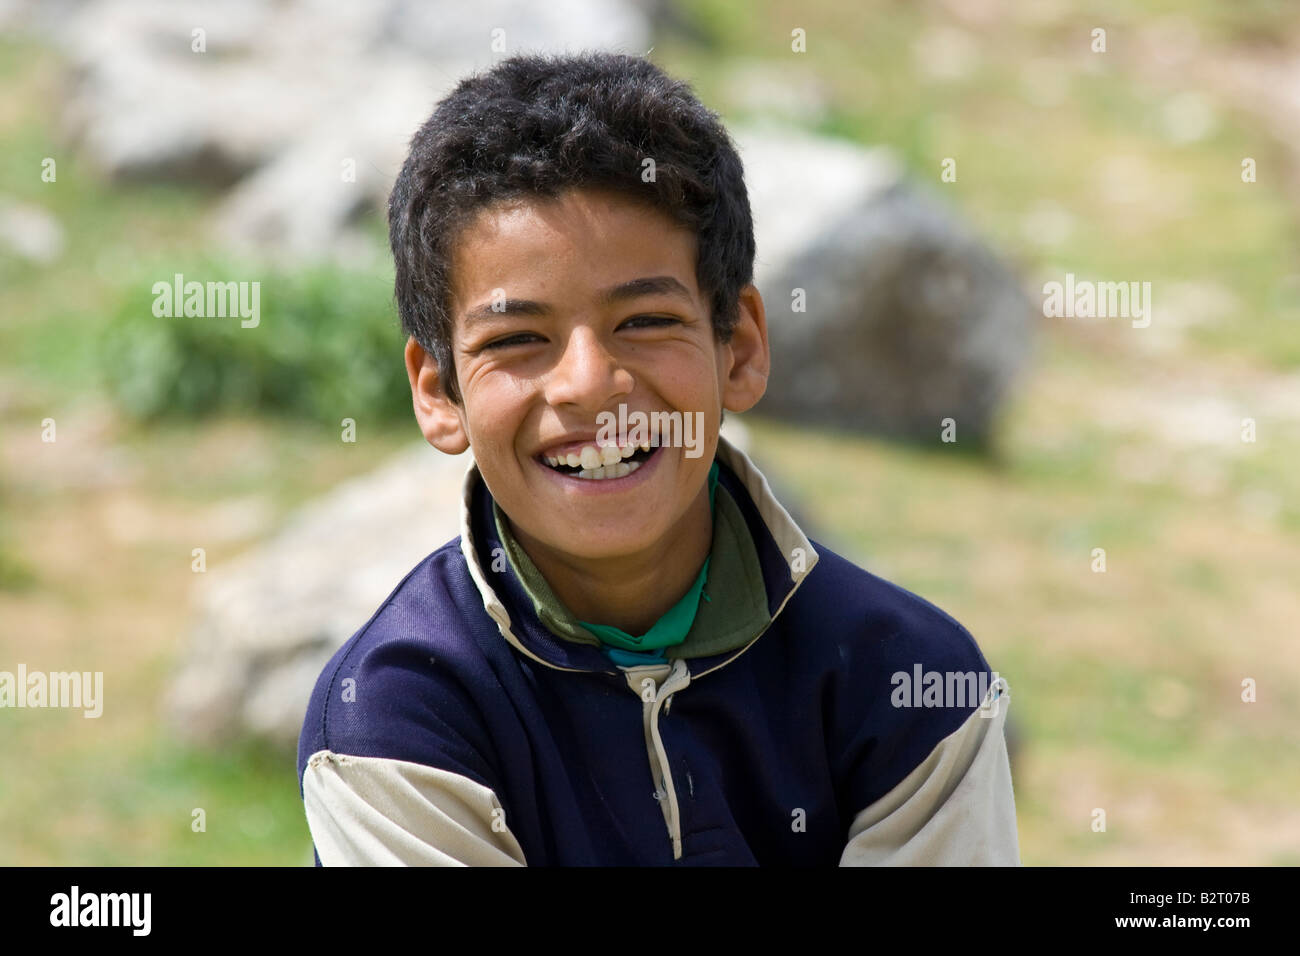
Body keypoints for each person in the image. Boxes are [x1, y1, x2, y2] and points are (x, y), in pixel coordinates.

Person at [296, 50, 1020, 866]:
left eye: (643, 321)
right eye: (516, 340)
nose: (588, 385)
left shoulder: (909, 684)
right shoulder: (393, 720)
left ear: (740, 346)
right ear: (438, 391)